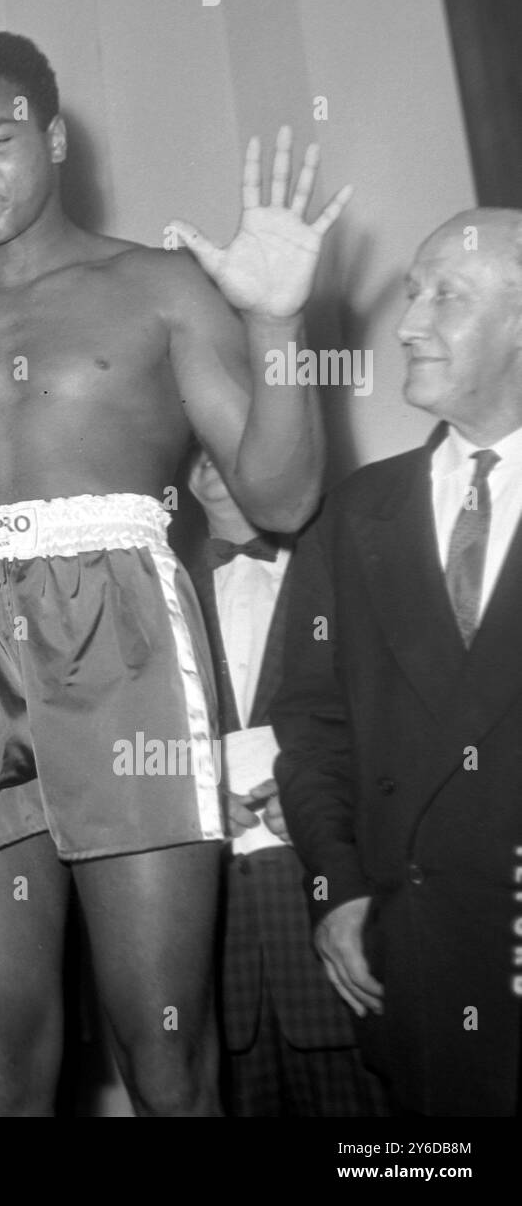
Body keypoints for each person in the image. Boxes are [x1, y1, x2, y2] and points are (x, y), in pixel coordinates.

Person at [0, 31, 349, 1115]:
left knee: (164, 1055)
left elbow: (280, 499)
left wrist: (276, 320)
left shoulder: (157, 286)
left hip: (119, 636)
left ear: (56, 135)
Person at [273, 208, 522, 1117]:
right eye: (411, 294)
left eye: (444, 296)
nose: (410, 324)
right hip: (410, 970)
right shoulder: (355, 515)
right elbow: (311, 729)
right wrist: (336, 890)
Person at [185, 450, 386, 1117]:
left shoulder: (349, 573)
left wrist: (322, 801)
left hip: (329, 911)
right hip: (211, 942)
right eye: (202, 448)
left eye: (239, 445)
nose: (217, 460)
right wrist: (194, 800)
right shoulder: (154, 593)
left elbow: (397, 731)